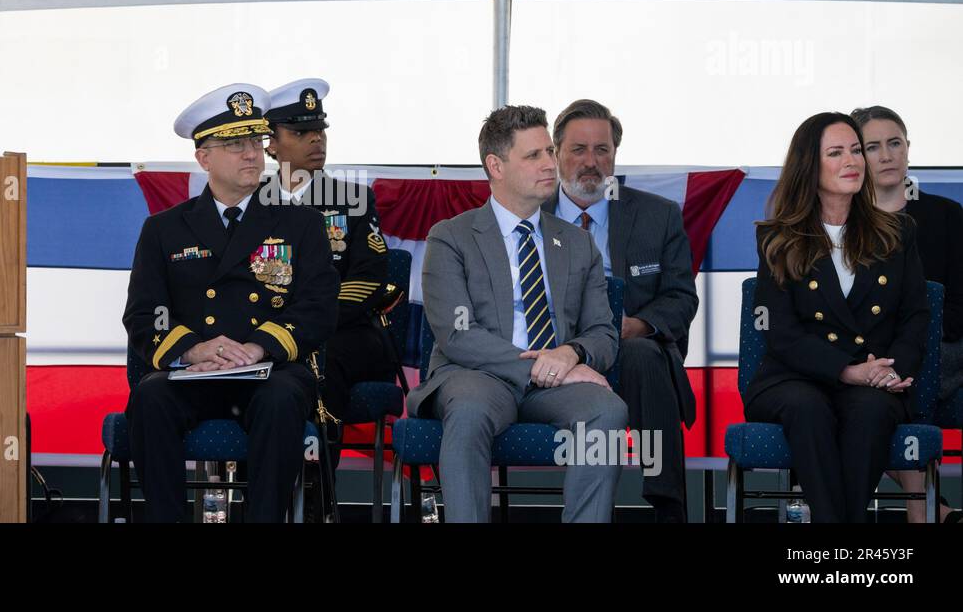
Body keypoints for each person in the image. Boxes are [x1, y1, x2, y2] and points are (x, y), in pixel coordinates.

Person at [122, 83, 339, 522]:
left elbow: (317, 307)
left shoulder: (302, 224)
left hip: (270, 370)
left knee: (281, 400)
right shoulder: (164, 229)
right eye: (235, 145)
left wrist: (258, 347)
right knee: (149, 398)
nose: (251, 155)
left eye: (256, 144)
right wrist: (195, 349)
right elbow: (145, 315)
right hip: (193, 372)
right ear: (204, 158)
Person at [406, 104, 626, 523]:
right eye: (534, 156)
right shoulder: (450, 237)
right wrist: (541, 366)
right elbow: (457, 335)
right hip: (476, 375)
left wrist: (571, 354)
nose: (550, 164)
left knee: (607, 410)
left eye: (549, 151)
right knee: (468, 410)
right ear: (496, 165)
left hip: (556, 381)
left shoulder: (578, 244)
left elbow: (603, 331)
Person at [748, 112, 928, 523]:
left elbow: (916, 316)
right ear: (810, 167)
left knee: (872, 410)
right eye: (836, 153)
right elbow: (781, 333)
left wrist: (889, 372)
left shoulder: (897, 232)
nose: (853, 161)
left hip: (874, 379)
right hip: (793, 378)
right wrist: (845, 371)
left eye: (855, 150)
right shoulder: (777, 239)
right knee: (807, 408)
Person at [544, 99, 699, 522]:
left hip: (626, 351)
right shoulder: (526, 214)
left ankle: (667, 505)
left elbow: (681, 296)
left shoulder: (656, 215)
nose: (591, 162)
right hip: (549, 354)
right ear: (555, 154)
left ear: (615, 154)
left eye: (602, 150)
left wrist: (640, 325)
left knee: (647, 355)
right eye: (578, 149)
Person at [852, 104, 962, 523]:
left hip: (943, 348)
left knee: (888, 380)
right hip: (870, 359)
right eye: (873, 146)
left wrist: (912, 342)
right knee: (861, 390)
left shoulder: (947, 216)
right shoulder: (842, 224)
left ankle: (923, 513)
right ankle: (934, 511)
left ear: (908, 149)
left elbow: (959, 305)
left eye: (894, 143)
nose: (887, 155)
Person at [263, 78, 395, 423]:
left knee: (319, 356)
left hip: (343, 331)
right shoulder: (251, 206)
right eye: (300, 132)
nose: (316, 139)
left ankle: (318, 472)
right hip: (267, 329)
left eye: (319, 130)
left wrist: (306, 323)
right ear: (271, 145)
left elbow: (369, 280)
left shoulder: (353, 200)